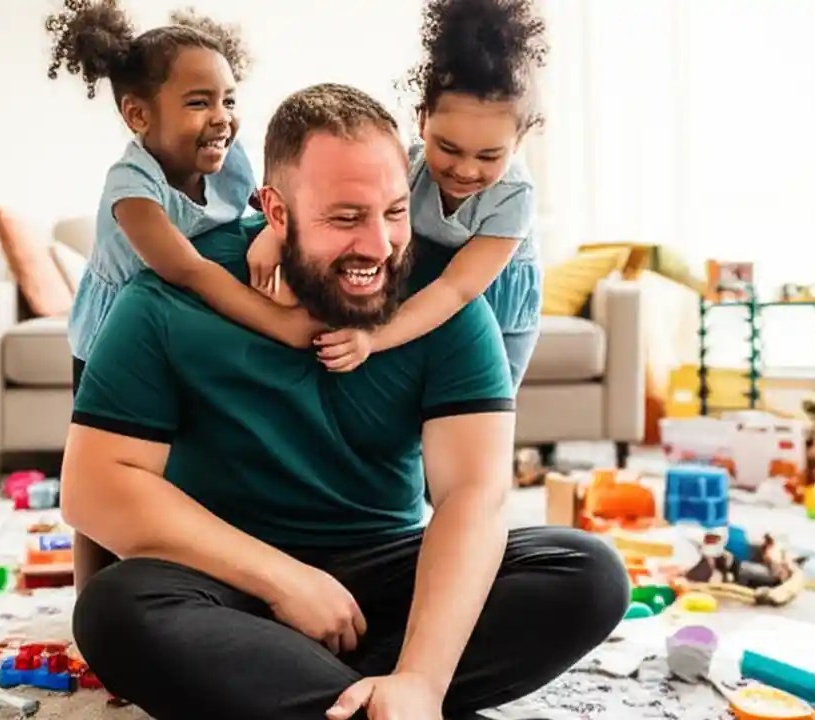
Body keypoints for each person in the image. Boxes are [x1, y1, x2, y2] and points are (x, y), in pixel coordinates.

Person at [63, 82, 629, 720]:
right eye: (345, 218)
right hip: (229, 583)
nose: (379, 246)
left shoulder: (442, 303)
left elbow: (474, 494)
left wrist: (421, 677)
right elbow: (94, 487)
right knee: (115, 607)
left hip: (390, 578)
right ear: (276, 213)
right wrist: (284, 580)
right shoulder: (170, 295)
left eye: (394, 212)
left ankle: (359, 696)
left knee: (587, 573)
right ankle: (362, 696)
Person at [45, 0, 327, 584]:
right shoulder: (131, 188)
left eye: (229, 100)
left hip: (185, 329)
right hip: (110, 341)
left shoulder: (229, 159)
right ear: (137, 115)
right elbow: (189, 270)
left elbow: (272, 206)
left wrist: (272, 236)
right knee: (102, 473)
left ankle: (187, 563)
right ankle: (91, 593)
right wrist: (282, 323)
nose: (222, 118)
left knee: (180, 458)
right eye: (199, 103)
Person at [248, 0, 547, 387]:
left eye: (489, 156)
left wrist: (372, 339)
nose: (465, 169)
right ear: (422, 121)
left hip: (495, 307)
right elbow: (332, 197)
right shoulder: (404, 165)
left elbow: (456, 288)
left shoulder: (513, 196)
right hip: (427, 283)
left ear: (519, 143)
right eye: (448, 148)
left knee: (483, 391)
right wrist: (274, 232)